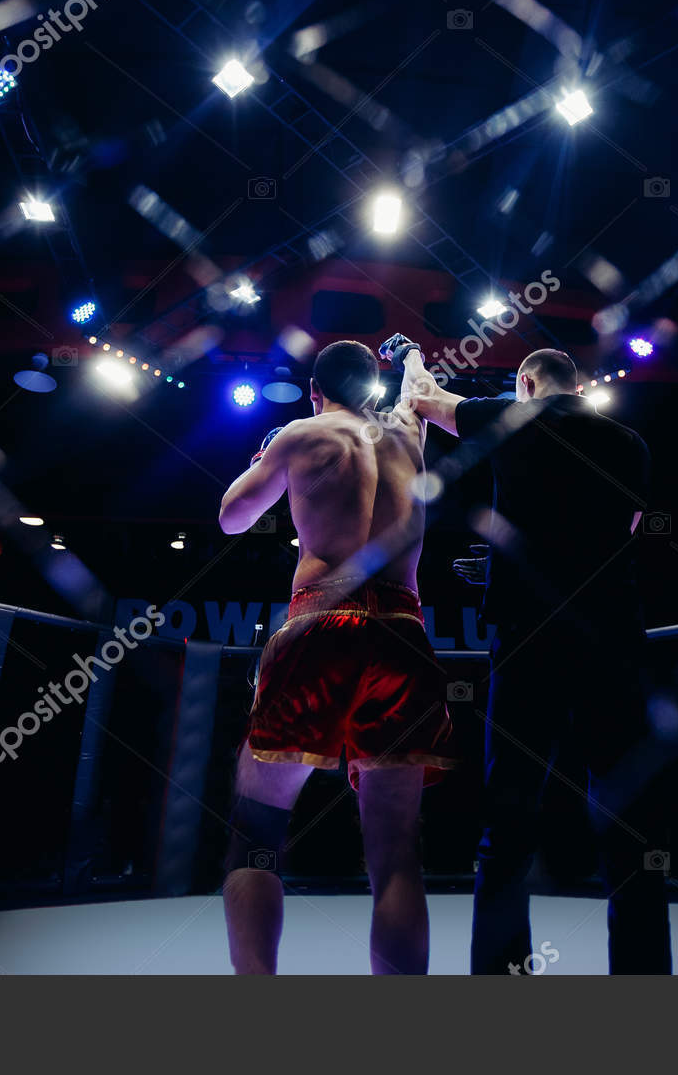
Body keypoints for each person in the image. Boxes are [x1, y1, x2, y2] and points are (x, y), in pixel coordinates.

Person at [382, 335, 671, 975]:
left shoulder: (511, 416)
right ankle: (646, 977)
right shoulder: (631, 444)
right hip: (614, 642)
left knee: (509, 815)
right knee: (629, 819)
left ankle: (500, 975)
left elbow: (425, 401)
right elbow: (618, 533)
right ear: (577, 386)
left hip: (530, 638)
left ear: (527, 385)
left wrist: (409, 358)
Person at [216, 339, 456, 974]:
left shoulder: (302, 431)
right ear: (372, 389)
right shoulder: (407, 433)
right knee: (396, 853)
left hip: (320, 619)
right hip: (402, 632)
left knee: (256, 833)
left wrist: (265, 462)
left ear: (315, 391)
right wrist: (408, 357)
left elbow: (232, 519)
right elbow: (418, 391)